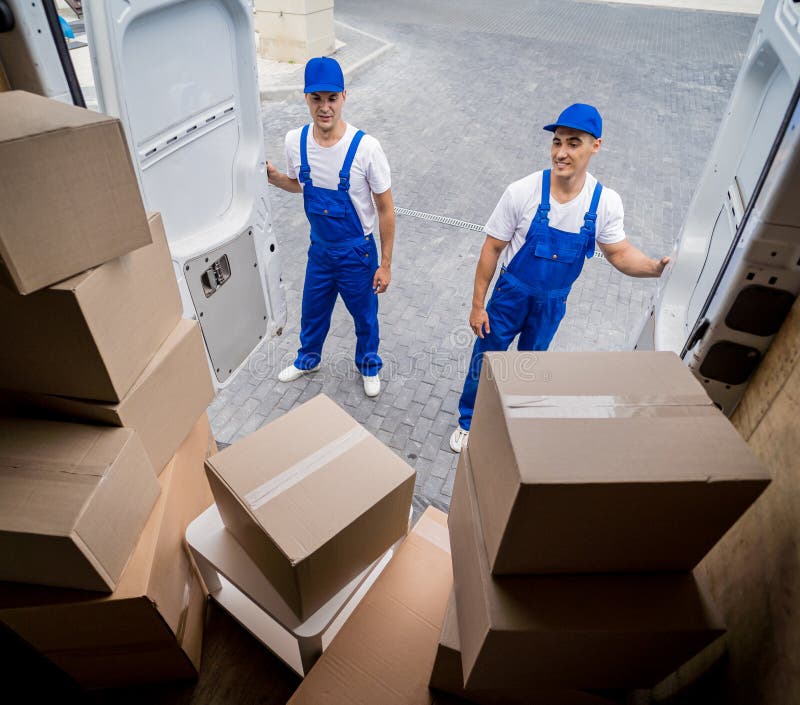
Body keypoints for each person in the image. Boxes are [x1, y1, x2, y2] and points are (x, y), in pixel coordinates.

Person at [449, 103, 670, 452]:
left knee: (530, 363)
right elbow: (491, 249)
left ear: (595, 145)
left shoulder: (604, 203)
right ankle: (468, 419)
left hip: (552, 303)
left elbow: (619, 253)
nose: (561, 152)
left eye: (573, 143)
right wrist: (478, 306)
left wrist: (656, 269)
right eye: (556, 142)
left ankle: (512, 420)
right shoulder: (522, 192)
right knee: (487, 357)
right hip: (510, 295)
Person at [267, 57, 395, 397]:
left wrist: (385, 264)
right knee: (312, 311)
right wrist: (278, 179)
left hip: (356, 252)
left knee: (365, 317)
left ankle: (369, 365)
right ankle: (308, 359)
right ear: (306, 99)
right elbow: (301, 185)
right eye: (316, 98)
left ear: (344, 97)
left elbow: (385, 209)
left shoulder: (366, 148)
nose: (325, 107)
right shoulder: (295, 141)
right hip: (320, 250)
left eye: (332, 98)